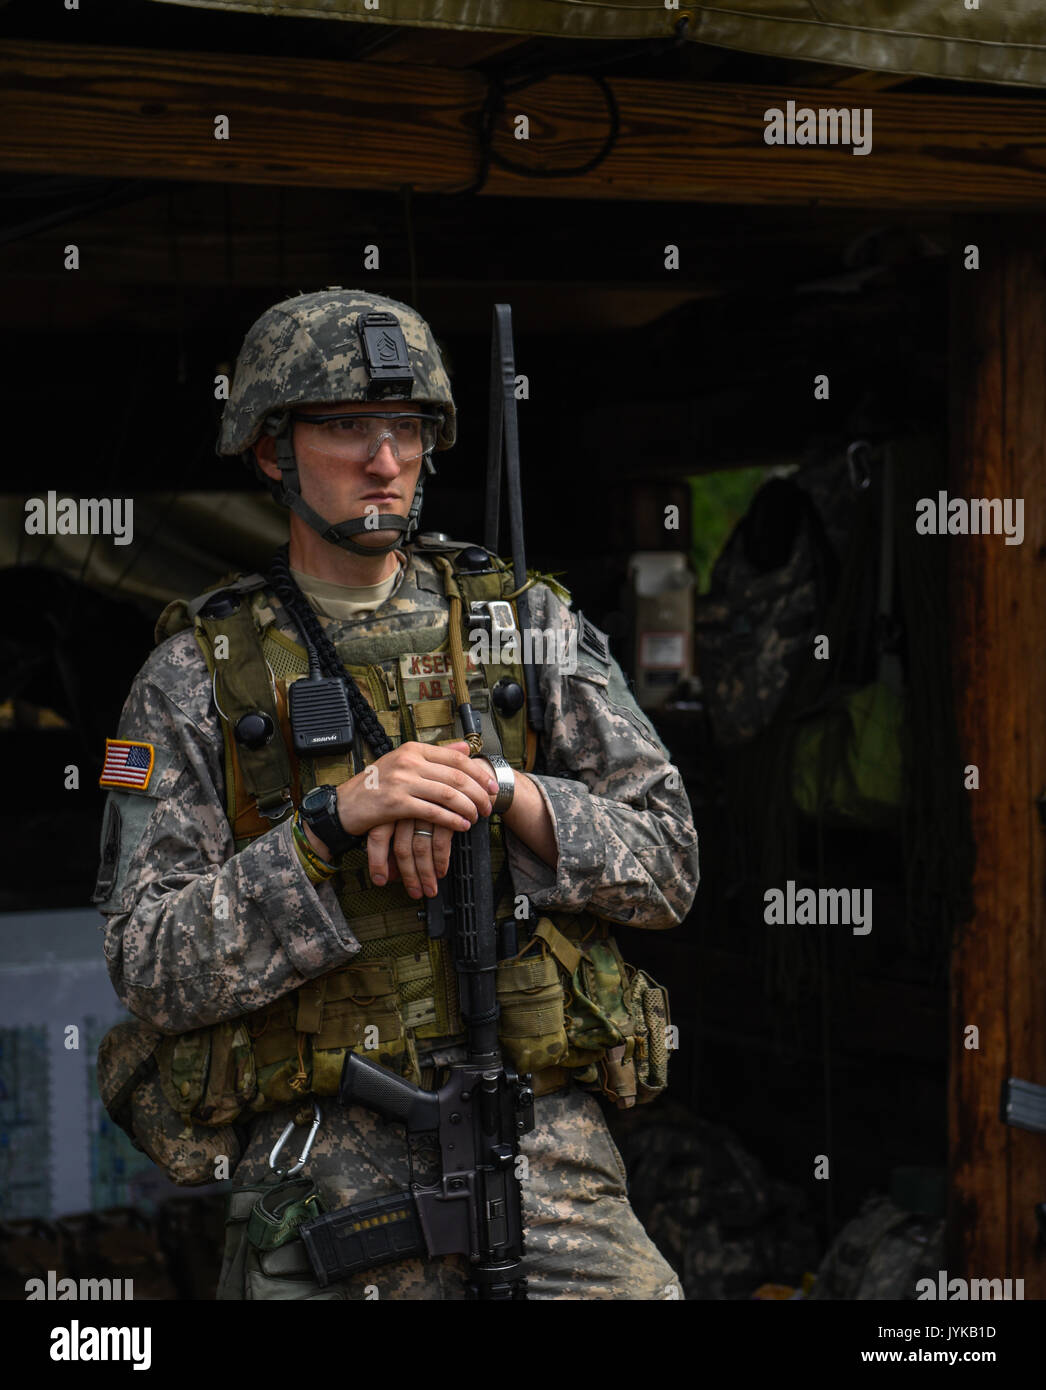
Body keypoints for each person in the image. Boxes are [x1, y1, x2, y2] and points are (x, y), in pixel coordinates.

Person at [94, 288, 699, 1300]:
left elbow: (669, 862)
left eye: (407, 426)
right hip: (325, 1156)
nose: (384, 458)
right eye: (344, 427)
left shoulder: (524, 622)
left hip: (534, 1142)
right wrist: (330, 826)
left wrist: (497, 792)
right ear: (270, 451)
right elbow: (145, 960)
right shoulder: (193, 674)